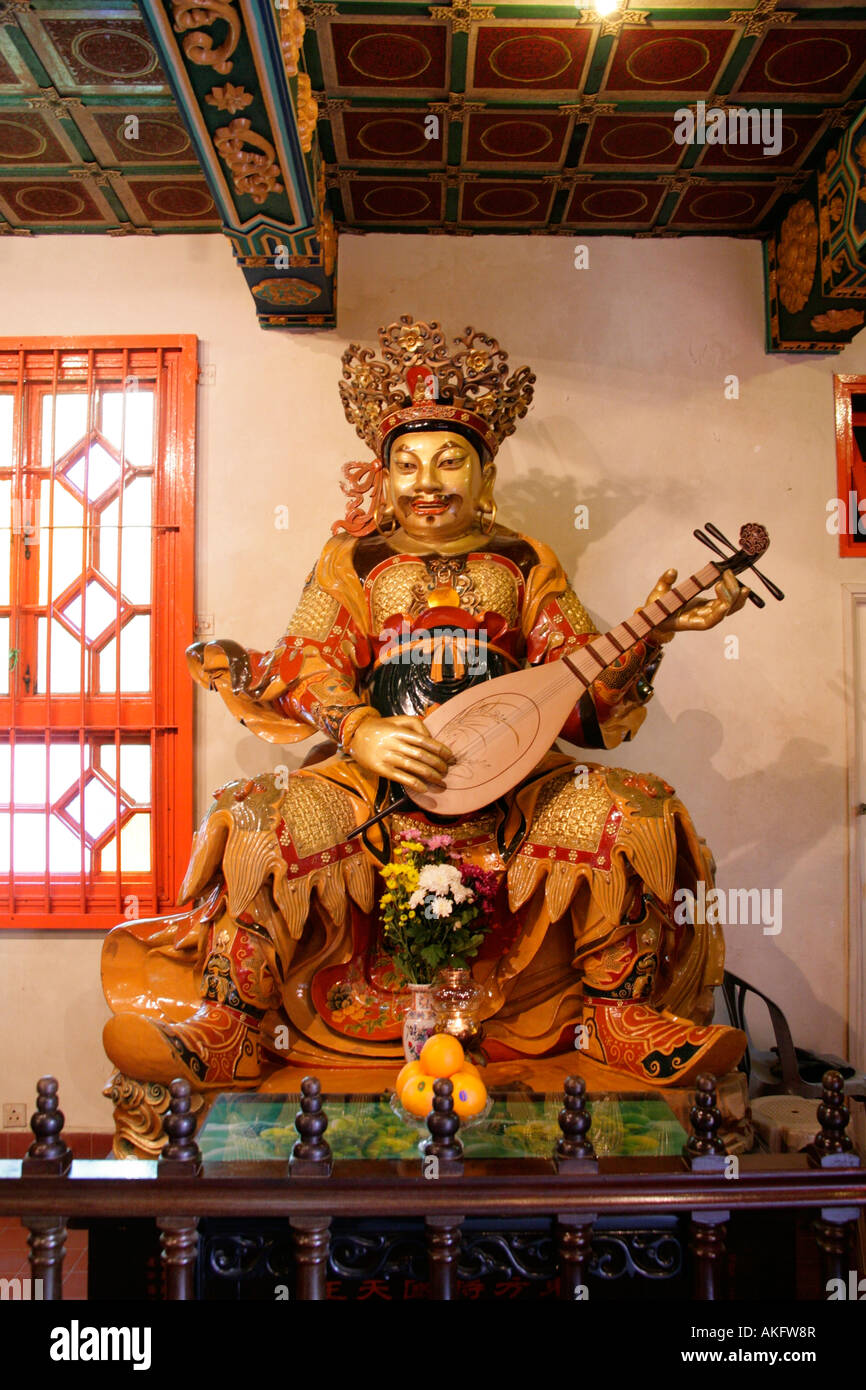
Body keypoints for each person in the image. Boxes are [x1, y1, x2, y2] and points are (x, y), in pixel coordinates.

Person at [102, 315, 747, 1111]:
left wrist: (652, 635)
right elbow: (306, 660)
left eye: (450, 460)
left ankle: (619, 1015)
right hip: (377, 783)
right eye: (405, 464)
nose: (427, 481)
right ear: (382, 474)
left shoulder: (525, 561)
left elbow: (580, 696)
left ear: (485, 472)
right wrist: (363, 731)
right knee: (262, 817)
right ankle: (233, 1023)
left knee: (632, 810)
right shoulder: (354, 560)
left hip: (514, 784)